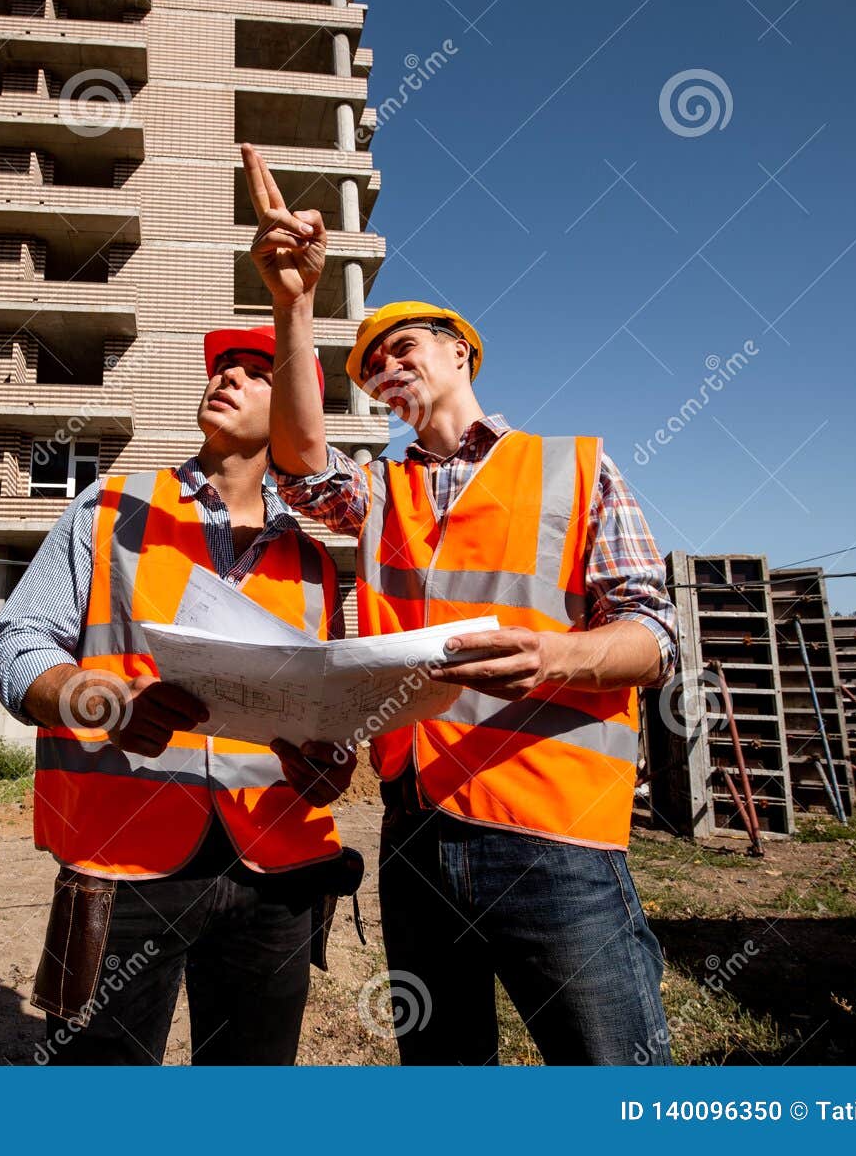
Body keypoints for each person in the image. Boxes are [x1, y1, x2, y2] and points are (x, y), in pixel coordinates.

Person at [243, 142, 678, 1065]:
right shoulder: (377, 491)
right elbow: (293, 462)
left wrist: (556, 656)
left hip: (554, 834)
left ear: (457, 350)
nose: (386, 366)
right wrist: (293, 306)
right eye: (369, 368)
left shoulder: (576, 466)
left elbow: (653, 634)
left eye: (402, 346)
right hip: (418, 833)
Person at [0, 324, 354, 1065]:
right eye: (224, 368)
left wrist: (333, 765)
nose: (226, 377)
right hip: (121, 866)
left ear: (294, 413)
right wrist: (106, 704)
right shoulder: (111, 506)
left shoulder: (314, 563)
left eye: (256, 373)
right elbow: (16, 645)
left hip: (276, 873)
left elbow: (332, 718)